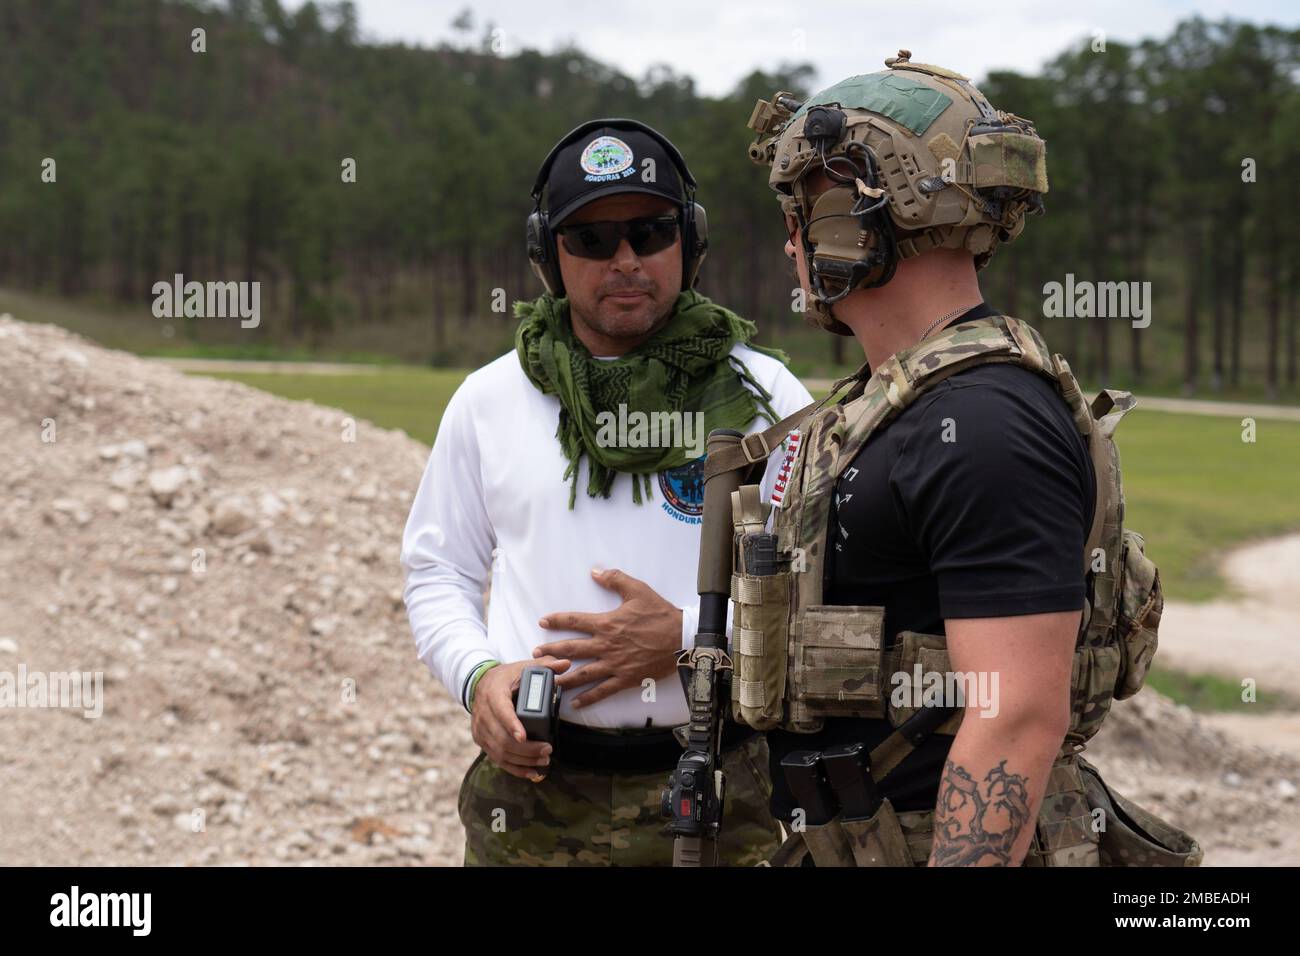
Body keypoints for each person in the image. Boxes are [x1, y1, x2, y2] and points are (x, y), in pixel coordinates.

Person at [728, 51, 1192, 866]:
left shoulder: (983, 423)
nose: (793, 248)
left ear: (849, 218)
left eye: (801, 216)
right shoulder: (889, 402)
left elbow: (1014, 717)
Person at [401, 119, 812, 866]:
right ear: (548, 257)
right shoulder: (489, 401)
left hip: (725, 792)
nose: (625, 260)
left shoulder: (763, 398)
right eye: (590, 240)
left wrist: (689, 641)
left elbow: (817, 587)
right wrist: (479, 677)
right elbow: (438, 571)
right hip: (533, 803)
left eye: (650, 232)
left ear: (689, 241)